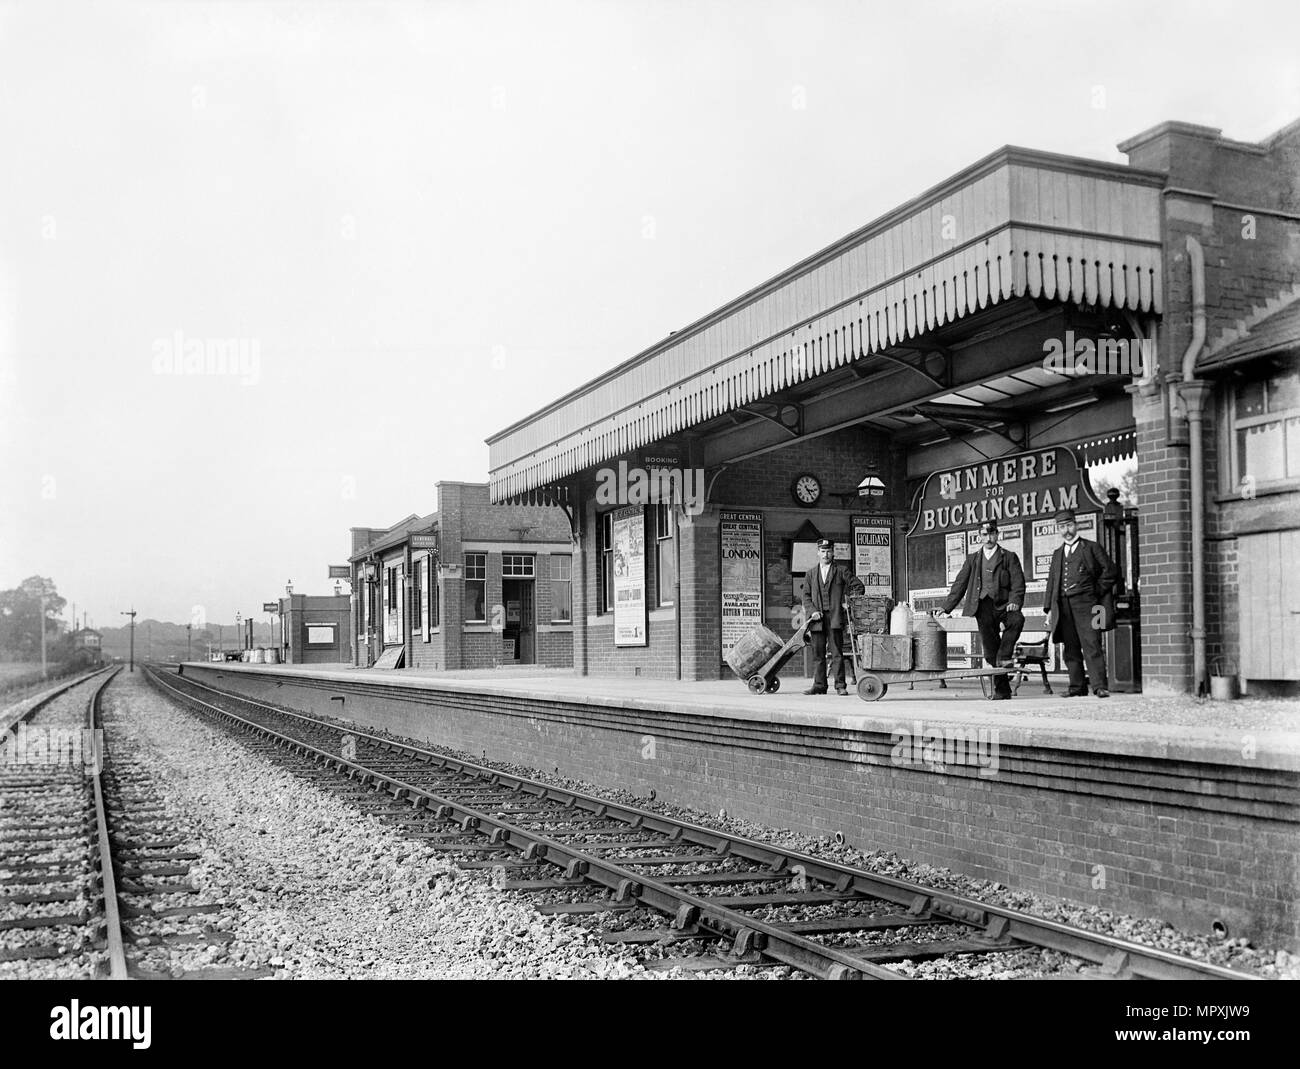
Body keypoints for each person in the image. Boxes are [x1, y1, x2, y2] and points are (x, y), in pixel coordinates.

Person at [938, 520, 1025, 700]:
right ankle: (1003, 690)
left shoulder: (1009, 557)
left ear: (997, 534)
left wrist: (1015, 601)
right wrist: (947, 607)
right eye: (984, 535)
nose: (988, 538)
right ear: (979, 537)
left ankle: (1005, 654)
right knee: (991, 652)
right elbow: (960, 584)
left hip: (1004, 604)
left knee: (1017, 620)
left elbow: (1018, 583)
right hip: (982, 606)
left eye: (992, 533)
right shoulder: (973, 559)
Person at [1044, 508, 1119, 698]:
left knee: (1092, 644)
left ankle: (1099, 686)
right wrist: (1049, 609)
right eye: (1062, 527)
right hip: (1064, 606)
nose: (1066, 530)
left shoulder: (1092, 547)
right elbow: (1052, 582)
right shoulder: (1057, 554)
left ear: (1076, 525)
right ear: (1058, 530)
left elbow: (1110, 572)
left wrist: (1096, 591)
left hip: (1090, 606)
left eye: (1069, 525)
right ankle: (1077, 687)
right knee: (1070, 647)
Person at [801, 539, 864, 695]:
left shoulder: (841, 570)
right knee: (818, 654)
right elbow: (806, 596)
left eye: (828, 551)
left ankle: (840, 686)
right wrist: (812, 611)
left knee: (837, 653)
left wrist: (847, 603)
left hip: (835, 618)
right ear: (818, 553)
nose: (826, 554)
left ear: (833, 553)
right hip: (817, 619)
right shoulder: (810, 574)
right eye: (822, 551)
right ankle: (819, 685)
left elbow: (859, 586)